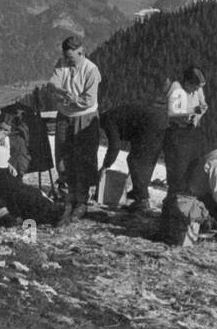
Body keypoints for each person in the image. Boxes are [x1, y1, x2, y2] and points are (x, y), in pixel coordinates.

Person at [48, 37, 101, 223]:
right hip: (65, 116)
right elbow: (53, 83)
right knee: (63, 156)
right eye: (66, 58)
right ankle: (68, 196)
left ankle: (82, 201)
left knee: (83, 159)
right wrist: (63, 93)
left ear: (81, 52)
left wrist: (69, 99)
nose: (68, 61)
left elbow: (89, 100)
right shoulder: (62, 64)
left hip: (84, 117)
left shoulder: (91, 70)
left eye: (72, 58)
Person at [99, 103, 167, 211]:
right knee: (145, 160)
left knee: (135, 160)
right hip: (159, 124)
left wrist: (105, 166)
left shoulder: (108, 120)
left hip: (151, 126)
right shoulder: (115, 114)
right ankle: (139, 191)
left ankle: (142, 200)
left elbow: (115, 146)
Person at [162, 65, 209, 202]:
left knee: (191, 168)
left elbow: (203, 103)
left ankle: (184, 200)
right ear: (187, 83)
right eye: (194, 87)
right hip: (177, 131)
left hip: (191, 131)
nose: (197, 90)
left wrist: (201, 108)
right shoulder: (177, 88)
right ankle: (172, 200)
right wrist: (192, 110)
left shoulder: (197, 89)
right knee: (177, 170)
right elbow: (172, 113)